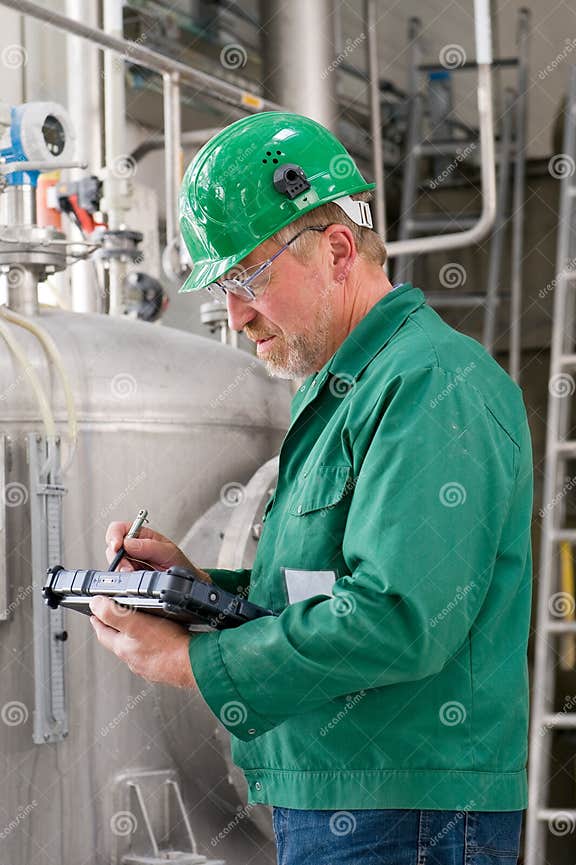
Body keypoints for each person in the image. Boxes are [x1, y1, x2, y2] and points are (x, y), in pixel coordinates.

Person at [91, 112, 533, 864]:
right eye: (223, 286)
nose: (235, 315)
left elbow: (397, 618)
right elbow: (322, 590)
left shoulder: (432, 382)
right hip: (340, 796)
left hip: (405, 812)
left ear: (336, 250)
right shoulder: (345, 391)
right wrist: (197, 589)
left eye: (247, 277)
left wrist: (188, 662)